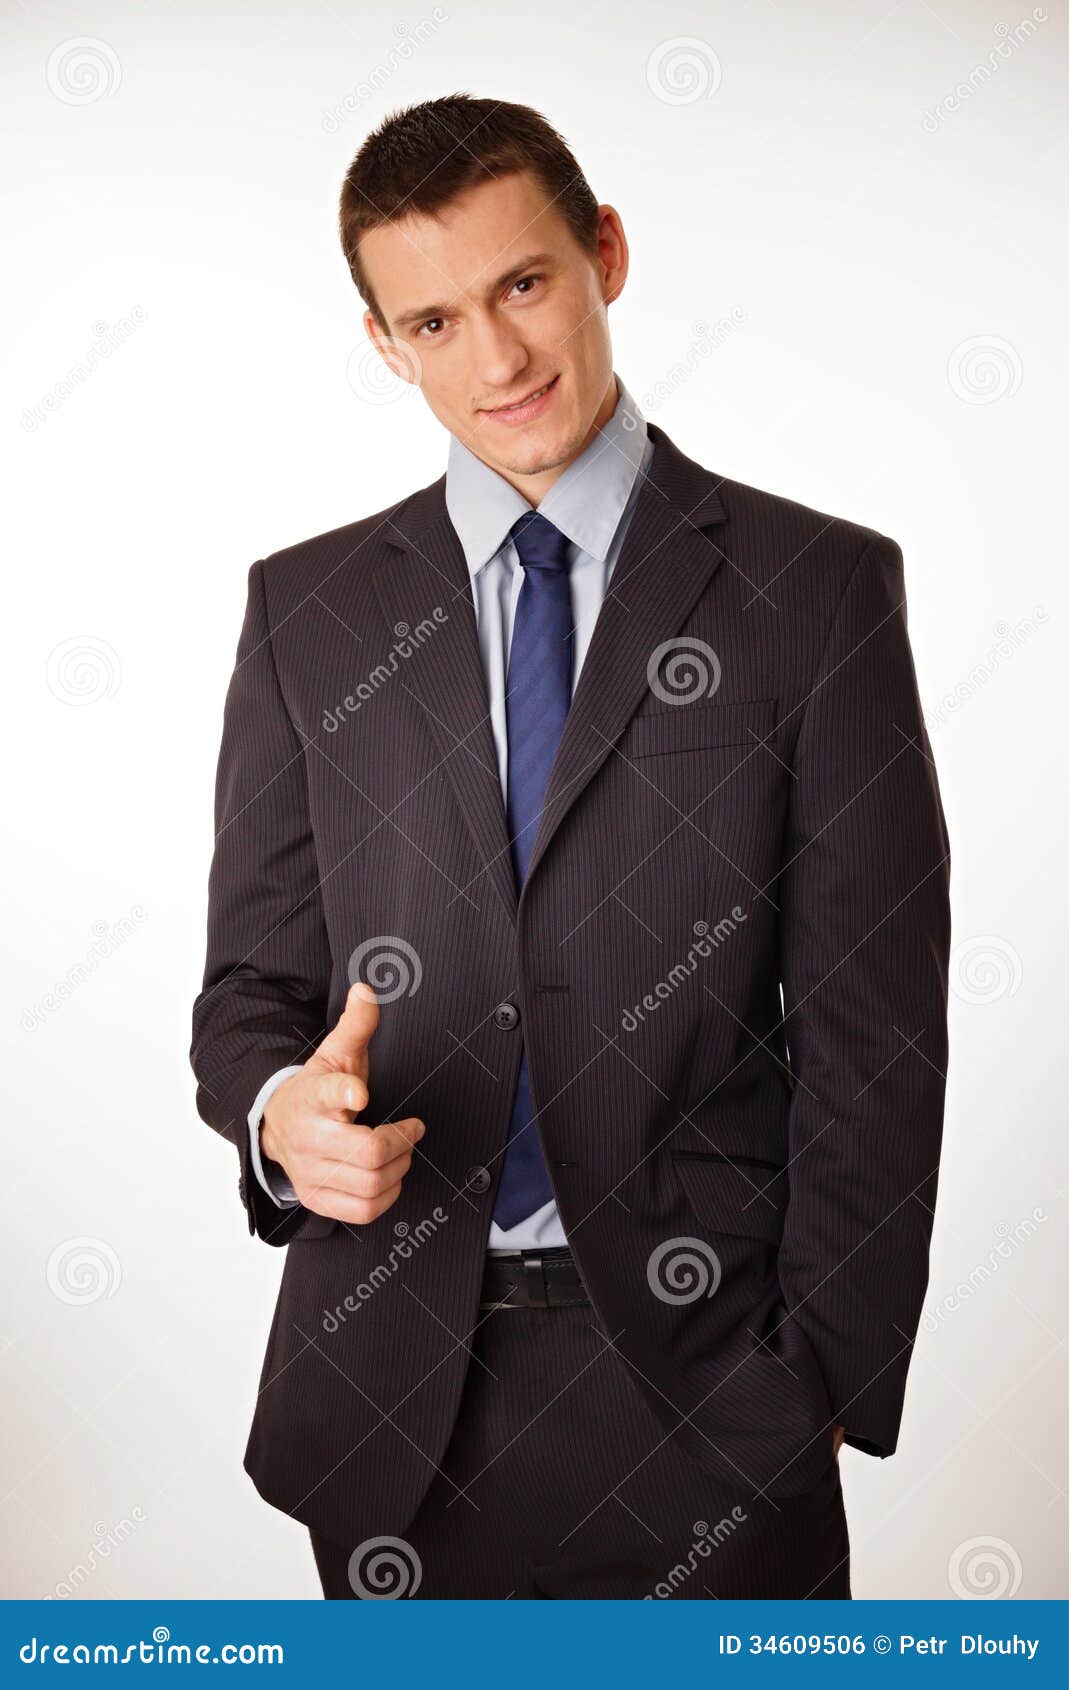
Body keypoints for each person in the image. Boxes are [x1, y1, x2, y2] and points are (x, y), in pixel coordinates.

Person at [190, 93, 950, 1600]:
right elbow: (248, 991)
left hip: (710, 1394)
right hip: (397, 1394)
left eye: (523, 283)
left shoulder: (814, 591)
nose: (497, 359)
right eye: (433, 320)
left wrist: (811, 1380)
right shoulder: (309, 614)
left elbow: (877, 1025)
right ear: (383, 344)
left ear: (603, 252)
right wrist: (283, 1116)